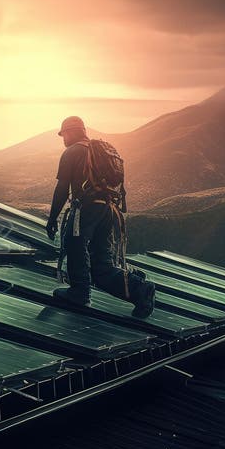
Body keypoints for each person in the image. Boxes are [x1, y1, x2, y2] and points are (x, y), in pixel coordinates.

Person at [45, 116, 156, 318]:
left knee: (74, 245)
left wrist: (52, 219)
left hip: (86, 209)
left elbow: (62, 188)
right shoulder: (98, 150)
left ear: (70, 132)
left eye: (63, 135)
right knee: (101, 265)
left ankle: (79, 293)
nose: (63, 139)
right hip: (107, 210)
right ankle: (140, 290)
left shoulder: (72, 152)